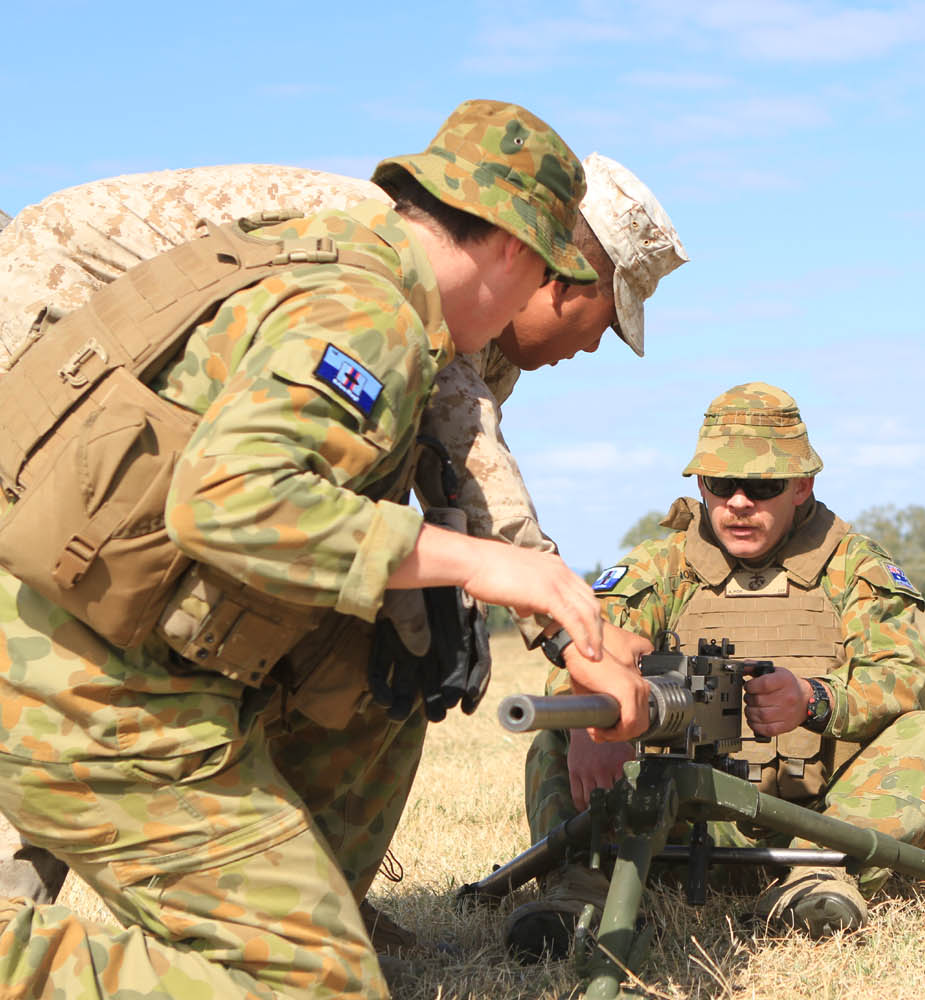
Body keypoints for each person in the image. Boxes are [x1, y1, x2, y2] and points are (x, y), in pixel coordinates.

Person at [0, 99, 653, 1000]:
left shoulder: (371, 271)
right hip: (84, 666)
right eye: (547, 270)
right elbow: (228, 498)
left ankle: (297, 899)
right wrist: (484, 565)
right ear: (513, 250)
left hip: (104, 638)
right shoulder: (368, 304)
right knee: (319, 987)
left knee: (397, 642)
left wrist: (544, 613)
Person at [507, 382, 925, 958]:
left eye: (761, 486)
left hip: (814, 821)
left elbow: (902, 679)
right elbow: (584, 645)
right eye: (719, 485)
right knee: (558, 731)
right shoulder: (662, 566)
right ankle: (581, 886)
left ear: (802, 485)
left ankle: (818, 881)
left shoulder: (853, 569)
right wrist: (589, 722)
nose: (737, 503)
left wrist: (814, 699)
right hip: (679, 820)